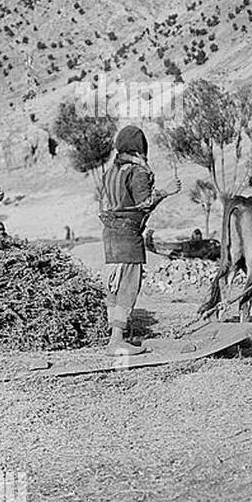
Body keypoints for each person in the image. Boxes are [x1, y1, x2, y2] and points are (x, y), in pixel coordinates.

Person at [99, 125, 180, 353]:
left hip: (110, 234)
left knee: (113, 285)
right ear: (140, 147)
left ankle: (114, 336)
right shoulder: (137, 172)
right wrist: (166, 191)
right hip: (128, 236)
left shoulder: (111, 172)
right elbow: (143, 203)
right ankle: (116, 340)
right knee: (127, 286)